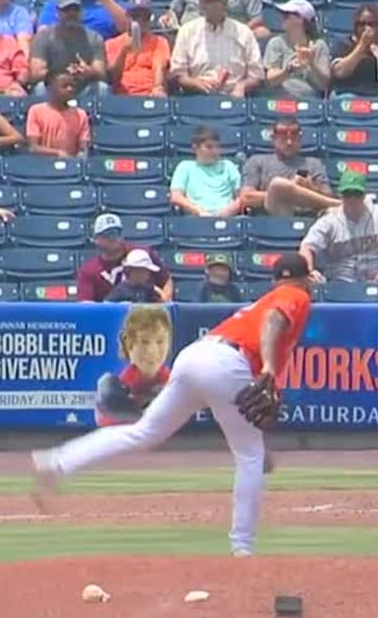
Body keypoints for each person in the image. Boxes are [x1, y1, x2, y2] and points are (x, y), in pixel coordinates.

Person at [31, 252, 317, 558]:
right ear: (305, 279)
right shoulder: (294, 294)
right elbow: (274, 320)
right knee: (249, 455)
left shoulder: (265, 299)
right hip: (227, 361)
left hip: (195, 356)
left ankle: (57, 461)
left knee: (144, 432)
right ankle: (242, 549)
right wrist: (270, 368)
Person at [299, 170, 378, 285]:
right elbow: (307, 246)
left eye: (356, 194)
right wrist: (310, 271)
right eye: (348, 194)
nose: (352, 199)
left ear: (364, 195)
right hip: (339, 285)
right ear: (340, 195)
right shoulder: (329, 221)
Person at [169, 0, 263, 97]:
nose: (202, 3)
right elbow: (177, 74)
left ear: (224, 4)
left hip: (233, 96)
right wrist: (195, 83)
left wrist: (241, 86)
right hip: (197, 97)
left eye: (209, 0)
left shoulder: (243, 32)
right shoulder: (187, 31)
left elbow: (257, 75)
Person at [94, 306, 175, 427]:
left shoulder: (170, 379)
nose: (152, 350)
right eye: (144, 342)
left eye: (160, 341)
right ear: (129, 345)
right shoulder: (125, 382)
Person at [239, 117, 336, 215]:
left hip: (308, 220)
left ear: (300, 140)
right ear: (273, 138)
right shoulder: (257, 161)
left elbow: (327, 197)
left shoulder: (313, 164)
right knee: (277, 185)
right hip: (271, 220)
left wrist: (310, 187)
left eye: (294, 138)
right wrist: (282, 193)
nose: (289, 143)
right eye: (283, 138)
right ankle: (339, 204)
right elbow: (246, 197)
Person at [76, 213, 174, 303]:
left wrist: (165, 303)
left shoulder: (141, 254)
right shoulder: (89, 270)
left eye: (116, 233)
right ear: (96, 239)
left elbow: (166, 279)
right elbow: (86, 305)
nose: (113, 238)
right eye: (107, 234)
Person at [29, 0, 109, 98]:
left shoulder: (94, 38)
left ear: (81, 12)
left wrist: (88, 71)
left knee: (102, 88)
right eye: (66, 10)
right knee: (40, 88)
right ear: (57, 12)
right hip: (55, 87)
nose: (71, 14)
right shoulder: (43, 37)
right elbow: (36, 73)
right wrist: (62, 72)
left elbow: (101, 73)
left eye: (75, 9)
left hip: (82, 86)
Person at [329, 4, 378, 95]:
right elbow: (339, 72)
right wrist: (361, 47)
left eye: (372, 24)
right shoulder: (344, 44)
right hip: (349, 93)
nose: (366, 28)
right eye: (361, 24)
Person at [261, 0, 330, 100]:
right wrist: (289, 70)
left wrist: (311, 63)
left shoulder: (319, 45)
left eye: (287, 14)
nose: (282, 17)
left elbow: (324, 84)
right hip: (280, 99)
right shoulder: (276, 43)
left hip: (310, 101)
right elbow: (271, 80)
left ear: (301, 19)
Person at [170, 124, 243, 216]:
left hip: (227, 218)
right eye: (209, 147)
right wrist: (198, 211)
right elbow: (176, 197)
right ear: (195, 148)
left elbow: (242, 197)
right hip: (196, 220)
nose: (215, 151)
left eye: (217, 147)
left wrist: (226, 212)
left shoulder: (228, 166)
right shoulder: (185, 167)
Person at [105, 0, 170, 97]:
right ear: (127, 17)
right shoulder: (112, 44)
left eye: (145, 17)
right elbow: (112, 78)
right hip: (120, 95)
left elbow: (159, 67)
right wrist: (124, 51)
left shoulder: (159, 42)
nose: (140, 20)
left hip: (149, 94)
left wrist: (158, 87)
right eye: (135, 16)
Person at [25, 72, 92, 157]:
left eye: (72, 86)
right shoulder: (36, 111)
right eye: (65, 86)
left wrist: (78, 158)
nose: (70, 89)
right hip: (42, 165)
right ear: (50, 88)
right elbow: (33, 148)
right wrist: (57, 153)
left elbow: (83, 148)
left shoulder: (80, 115)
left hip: (71, 165)